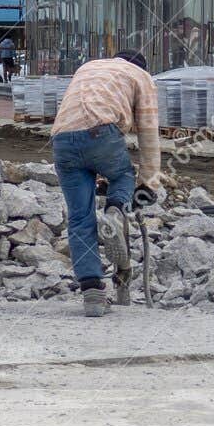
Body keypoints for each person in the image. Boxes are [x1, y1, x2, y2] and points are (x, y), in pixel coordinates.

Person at [50, 50, 161, 316]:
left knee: (79, 218)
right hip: (102, 131)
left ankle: (92, 295)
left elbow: (79, 115)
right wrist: (148, 184)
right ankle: (115, 209)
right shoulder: (141, 76)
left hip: (62, 138)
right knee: (123, 175)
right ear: (142, 67)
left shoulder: (89, 66)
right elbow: (148, 133)